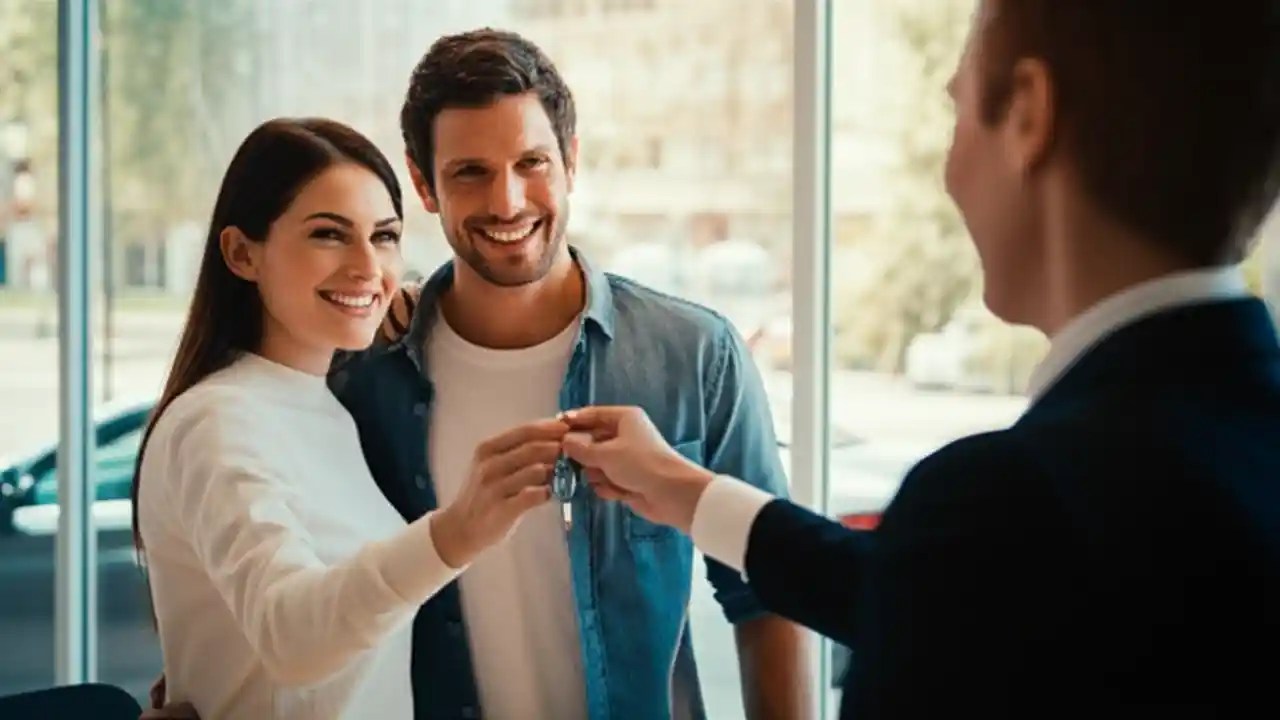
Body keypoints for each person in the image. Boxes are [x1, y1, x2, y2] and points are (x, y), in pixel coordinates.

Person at [559, 1, 1280, 716]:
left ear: (1028, 116)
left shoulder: (1001, 505)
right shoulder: (1219, 454)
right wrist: (686, 491)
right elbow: (944, 593)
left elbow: (964, 587)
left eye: (957, 110)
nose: (951, 171)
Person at [147, 28, 809, 720]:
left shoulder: (692, 354)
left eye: (532, 162)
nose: (508, 201)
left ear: (571, 162)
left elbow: (767, 587)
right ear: (424, 185)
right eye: (470, 172)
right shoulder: (361, 374)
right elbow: (270, 591)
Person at [133, 117, 567, 719]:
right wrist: (457, 531)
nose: (368, 266)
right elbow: (292, 639)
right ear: (241, 253)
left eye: (384, 236)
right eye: (329, 235)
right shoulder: (217, 421)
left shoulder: (324, 406)